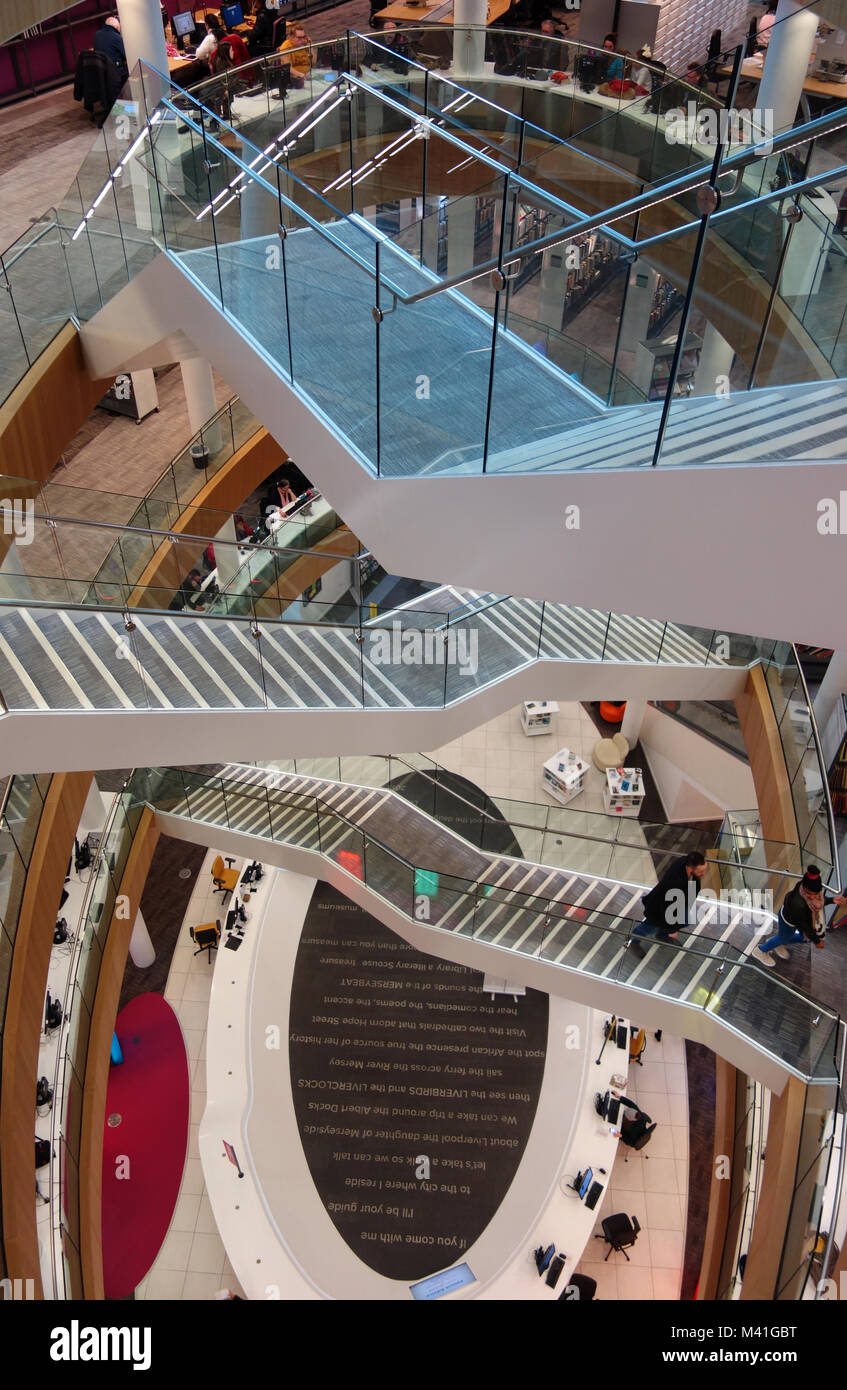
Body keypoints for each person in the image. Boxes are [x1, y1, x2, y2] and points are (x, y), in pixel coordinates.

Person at [756, 866, 846, 967]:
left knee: (799, 938)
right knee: (795, 937)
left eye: (815, 894)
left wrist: (832, 900)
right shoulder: (797, 904)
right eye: (809, 894)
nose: (812, 897)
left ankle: (777, 942)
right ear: (805, 888)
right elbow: (804, 926)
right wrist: (817, 941)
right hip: (788, 921)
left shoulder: (804, 887)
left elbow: (817, 900)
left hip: (794, 919)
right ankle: (760, 950)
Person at [630, 850, 708, 951]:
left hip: (672, 905)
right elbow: (672, 909)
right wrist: (673, 929)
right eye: (701, 871)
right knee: (649, 927)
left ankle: (662, 934)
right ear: (690, 868)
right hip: (660, 909)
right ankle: (633, 940)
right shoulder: (676, 883)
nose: (704, 873)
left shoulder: (685, 862)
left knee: (684, 920)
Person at [93, 15, 128, 83]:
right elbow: (126, 56)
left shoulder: (97, 34)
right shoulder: (116, 37)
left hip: (102, 73)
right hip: (116, 74)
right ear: (117, 28)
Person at [278, 22, 312, 87]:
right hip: (296, 79)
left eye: (303, 37)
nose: (302, 40)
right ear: (291, 37)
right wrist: (301, 75)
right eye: (299, 38)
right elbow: (288, 68)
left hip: (309, 75)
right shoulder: (285, 47)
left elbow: (313, 62)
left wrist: (310, 46)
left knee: (331, 77)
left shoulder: (304, 44)